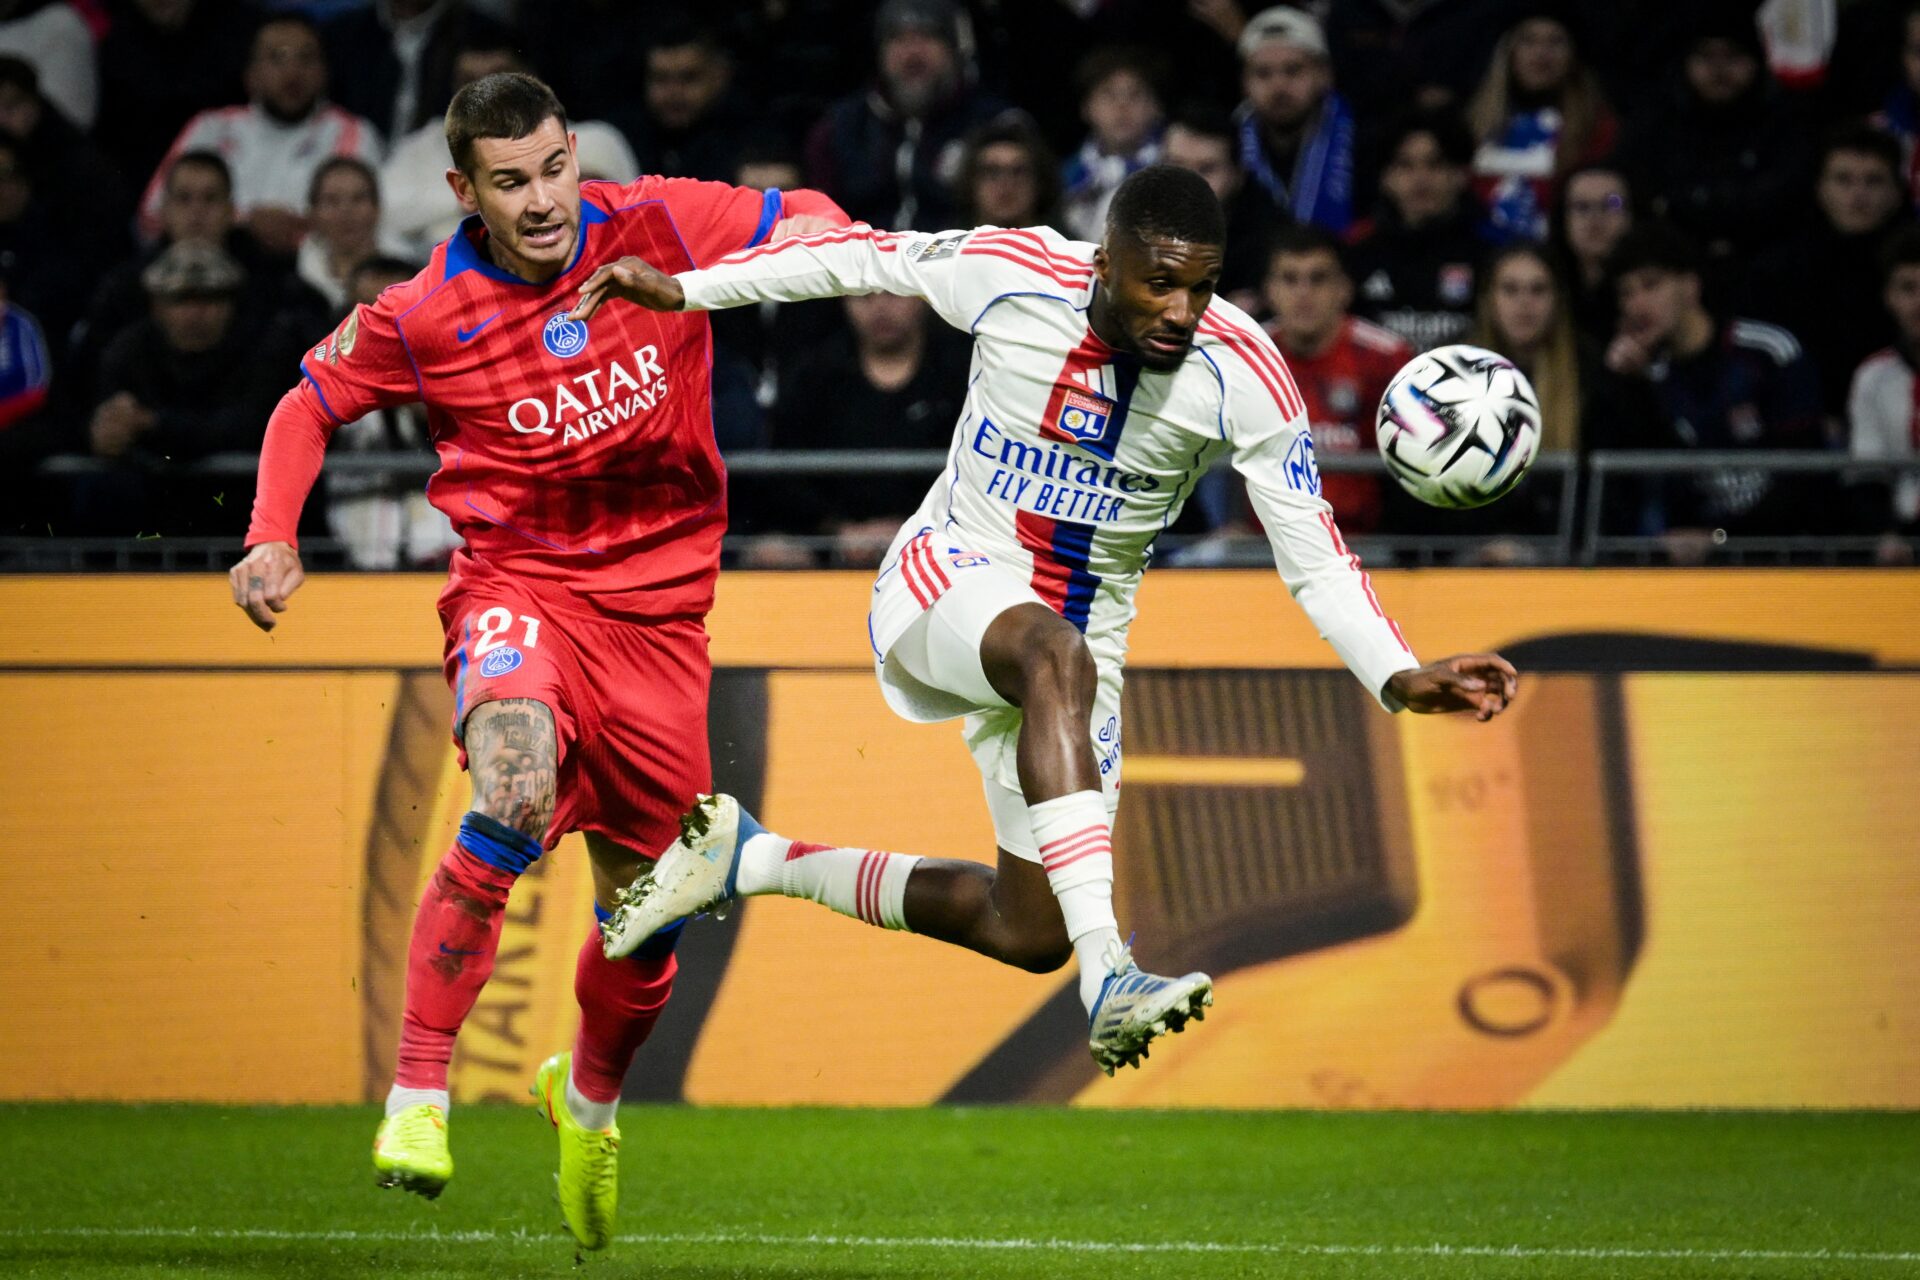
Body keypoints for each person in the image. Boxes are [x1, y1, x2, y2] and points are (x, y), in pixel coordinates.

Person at [576, 165, 1518, 1081]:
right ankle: (1113, 972)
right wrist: (687, 291)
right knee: (1051, 657)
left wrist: (1397, 672)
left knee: (1028, 930)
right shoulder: (1013, 272)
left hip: (1082, 645)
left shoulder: (1245, 374)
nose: (1181, 311)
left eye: (1201, 288)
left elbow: (1314, 555)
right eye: (1159, 283)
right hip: (949, 573)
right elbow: (856, 257)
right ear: (1104, 263)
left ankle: (751, 858)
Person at [225, 71, 846, 1250]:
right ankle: (418, 1090)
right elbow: (306, 405)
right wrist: (270, 534)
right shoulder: (425, 311)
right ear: (464, 190)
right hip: (522, 594)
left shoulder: (656, 219)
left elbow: (810, 215)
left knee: (646, 916)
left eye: (556, 168)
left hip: (661, 627)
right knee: (510, 788)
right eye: (511, 182)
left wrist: (801, 257)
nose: (545, 199)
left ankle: (590, 1104)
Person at [1603, 223, 1828, 553]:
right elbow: (1655, 488)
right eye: (1626, 293)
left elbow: (1806, 479)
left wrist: (1723, 538)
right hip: (1698, 561)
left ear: (1690, 287)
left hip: (1783, 552)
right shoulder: (1648, 378)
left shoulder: (1768, 353)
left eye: (1651, 285)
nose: (1637, 305)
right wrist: (1626, 386)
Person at [77, 241, 297, 537]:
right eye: (180, 301)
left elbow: (250, 426)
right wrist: (105, 432)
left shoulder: (264, 347)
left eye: (210, 299)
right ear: (156, 305)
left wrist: (152, 424)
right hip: (151, 515)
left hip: (238, 511)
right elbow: (96, 417)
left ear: (231, 304)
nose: (195, 314)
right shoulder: (129, 350)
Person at [137, 14, 383, 255]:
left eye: (306, 58)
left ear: (324, 73)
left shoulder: (352, 132)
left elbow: (372, 224)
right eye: (277, 58)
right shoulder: (210, 128)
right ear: (250, 75)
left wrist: (296, 233)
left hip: (310, 269)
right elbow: (152, 214)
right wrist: (244, 223)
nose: (292, 72)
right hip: (218, 265)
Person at [379, 39, 637, 263]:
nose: (484, 94)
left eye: (497, 77)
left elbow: (632, 220)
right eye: (468, 81)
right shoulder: (420, 148)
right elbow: (380, 210)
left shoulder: (596, 140)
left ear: (529, 77)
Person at [805, 0, 1017, 230]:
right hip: (862, 249)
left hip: (963, 248)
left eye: (928, 36)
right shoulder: (840, 127)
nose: (913, 52)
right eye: (898, 39)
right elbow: (820, 214)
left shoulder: (996, 124)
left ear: (955, 49)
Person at [1749, 126, 1913, 419]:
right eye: (1843, 180)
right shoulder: (1779, 270)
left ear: (1897, 193)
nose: (1858, 195)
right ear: (1820, 189)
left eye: (1874, 181)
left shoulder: (1912, 270)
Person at [1258, 222, 1411, 534]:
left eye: (1318, 279)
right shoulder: (1245, 356)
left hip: (1365, 542)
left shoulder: (1387, 359)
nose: (1303, 293)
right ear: (1269, 291)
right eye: (1290, 279)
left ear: (1344, 289)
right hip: (1262, 543)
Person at [322, 254, 460, 569]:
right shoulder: (324, 370)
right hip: (349, 551)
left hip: (447, 548)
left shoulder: (457, 363)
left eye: (396, 310)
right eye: (371, 311)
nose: (384, 325)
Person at [1465, 7, 1618, 244]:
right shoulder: (1473, 124)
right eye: (1528, 40)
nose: (1541, 54)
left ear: (1573, 55)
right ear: (1509, 51)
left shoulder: (1597, 128)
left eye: (1555, 42)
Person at [1345, 110, 1485, 352]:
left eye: (1435, 164)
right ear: (1385, 178)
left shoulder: (1488, 258)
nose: (1421, 178)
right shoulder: (1357, 256)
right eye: (1405, 165)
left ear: (1459, 175)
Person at [1233, 6, 1355, 234]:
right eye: (1263, 73)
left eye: (1293, 70)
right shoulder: (1228, 145)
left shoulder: (1361, 138)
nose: (1279, 86)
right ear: (1244, 83)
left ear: (1324, 74)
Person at [1846, 225, 1920, 564]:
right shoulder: (1873, 377)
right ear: (1889, 296)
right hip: (1902, 542)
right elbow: (1868, 475)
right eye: (1908, 288)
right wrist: (1886, 534)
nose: (1919, 302)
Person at [1060, 47, 1165, 243]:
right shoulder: (1064, 177)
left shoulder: (1172, 168)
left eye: (1135, 94)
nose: (1122, 106)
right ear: (1086, 107)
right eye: (1108, 95)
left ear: (1156, 106)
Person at [298, 156, 406, 315]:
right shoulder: (294, 284)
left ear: (377, 208)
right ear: (312, 212)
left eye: (358, 199)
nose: (346, 212)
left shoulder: (412, 279)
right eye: (332, 201)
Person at [1552, 162, 1632, 344]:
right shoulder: (1543, 283)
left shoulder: (1650, 287)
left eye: (1612, 204)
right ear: (1563, 219)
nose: (1595, 219)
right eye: (1582, 206)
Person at [955, 115, 1061, 230]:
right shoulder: (946, 240)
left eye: (1018, 172)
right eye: (992, 172)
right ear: (971, 182)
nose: (1006, 183)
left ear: (1039, 182)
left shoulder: (1064, 241)